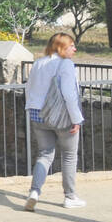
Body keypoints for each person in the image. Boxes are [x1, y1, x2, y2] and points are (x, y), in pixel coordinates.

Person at [24, 32, 85, 210]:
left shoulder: (38, 63)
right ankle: (70, 196)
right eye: (71, 45)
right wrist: (77, 119)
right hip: (61, 115)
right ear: (61, 47)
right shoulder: (66, 64)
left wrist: (30, 108)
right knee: (69, 155)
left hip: (37, 113)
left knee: (44, 154)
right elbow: (69, 94)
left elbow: (29, 88)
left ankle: (34, 192)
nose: (75, 48)